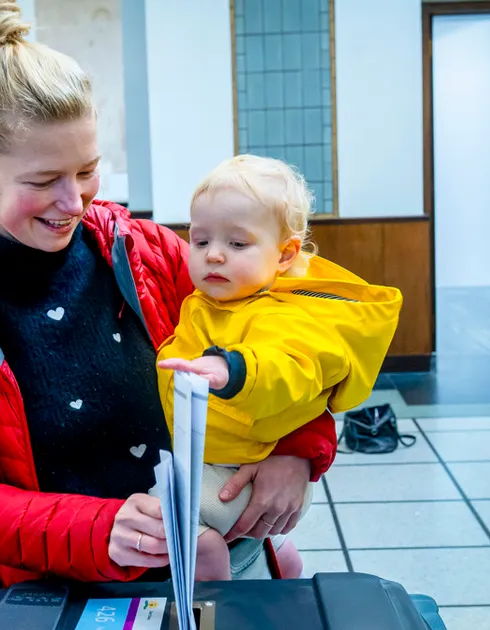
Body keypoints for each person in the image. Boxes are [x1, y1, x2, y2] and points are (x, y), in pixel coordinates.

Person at [0, 0, 338, 592]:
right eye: (43, 182)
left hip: (222, 562)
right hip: (66, 585)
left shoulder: (149, 254)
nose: (74, 201)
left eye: (87, 171)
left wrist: (299, 450)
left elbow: (289, 337)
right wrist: (102, 529)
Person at [156, 155, 402, 581]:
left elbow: (292, 367)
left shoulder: (281, 313)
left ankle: (211, 582)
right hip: (228, 454)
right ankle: (281, 555)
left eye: (237, 244)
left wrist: (233, 370)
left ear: (285, 254)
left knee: (169, 518)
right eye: (200, 241)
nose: (214, 256)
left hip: (244, 466)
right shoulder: (213, 302)